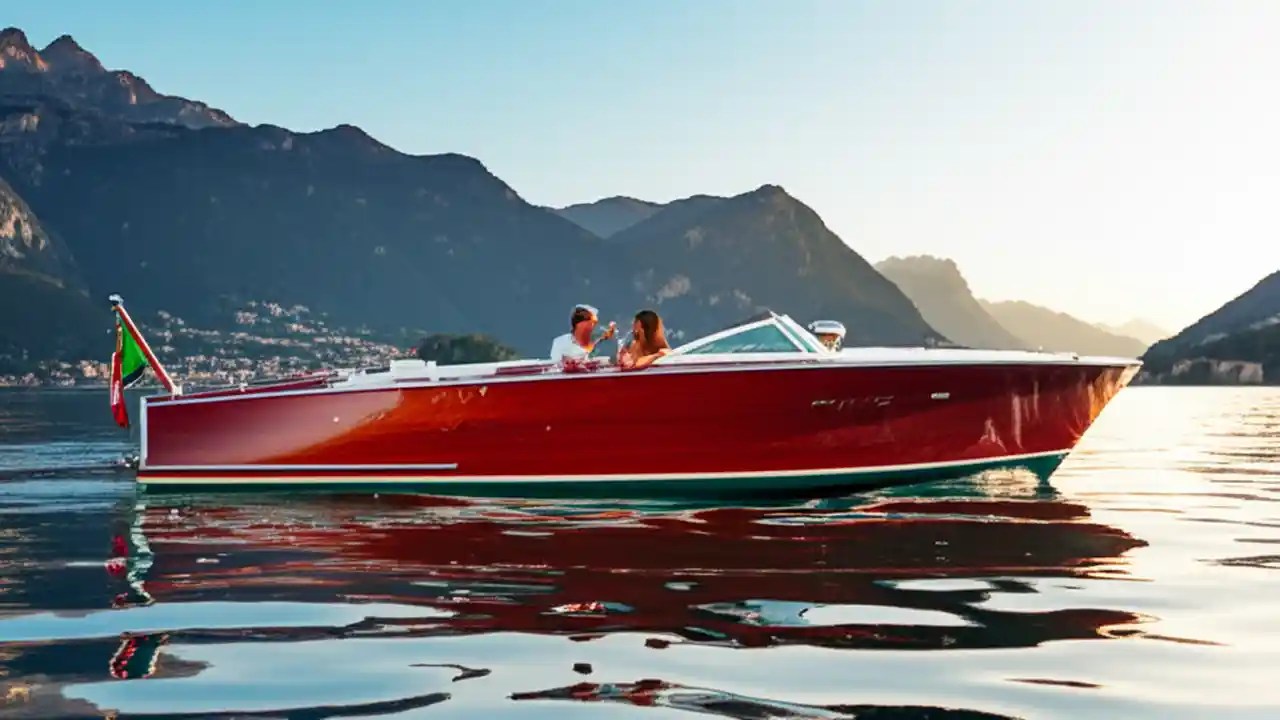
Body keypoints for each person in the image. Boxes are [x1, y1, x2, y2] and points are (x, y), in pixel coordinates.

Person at [550, 303, 616, 367]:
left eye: (595, 323)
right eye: (592, 322)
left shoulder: (598, 345)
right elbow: (554, 367)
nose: (594, 326)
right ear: (580, 324)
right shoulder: (561, 343)